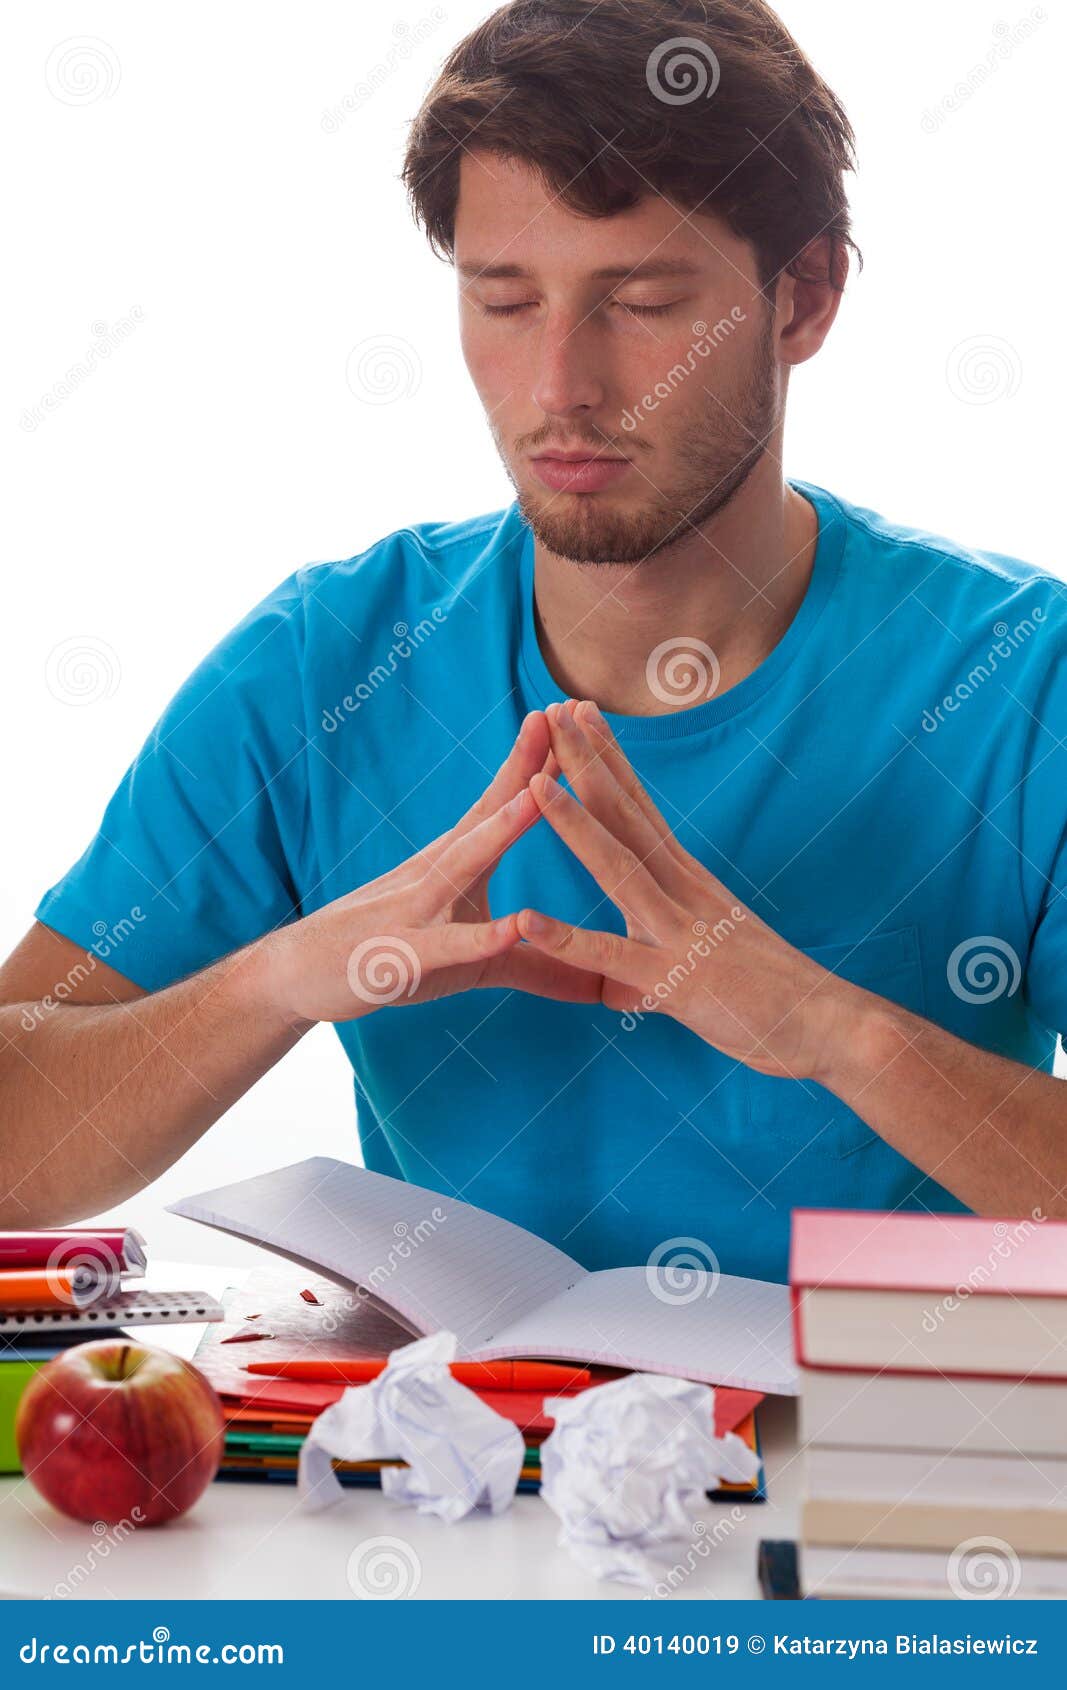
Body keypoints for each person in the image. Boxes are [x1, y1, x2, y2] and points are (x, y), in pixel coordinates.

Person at [2, 0, 1064, 1284]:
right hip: (453, 1466)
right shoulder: (321, 668)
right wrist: (278, 979)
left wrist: (832, 1032)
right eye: (503, 301)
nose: (561, 383)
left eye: (642, 299)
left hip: (874, 1470)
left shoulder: (1016, 682)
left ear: (804, 298)